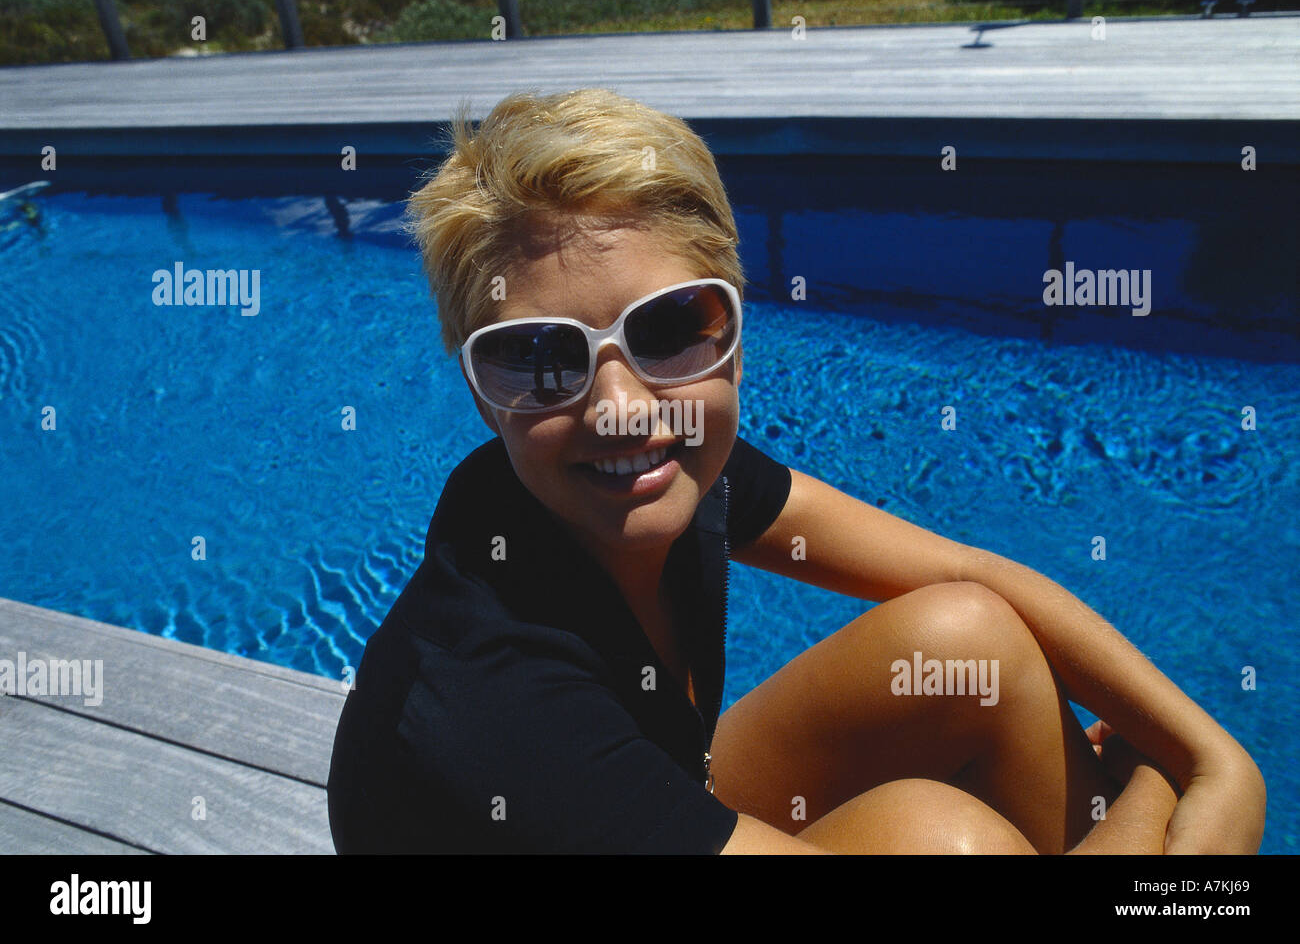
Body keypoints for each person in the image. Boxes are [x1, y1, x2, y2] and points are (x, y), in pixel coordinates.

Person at [326, 87, 1265, 854]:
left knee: (965, 639)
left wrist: (1216, 758)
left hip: (650, 797)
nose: (620, 407)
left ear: (732, 329)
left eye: (668, 328)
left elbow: (967, 574)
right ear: (481, 392)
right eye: (539, 358)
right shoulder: (500, 710)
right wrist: (1154, 789)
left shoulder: (664, 470)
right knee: (939, 843)